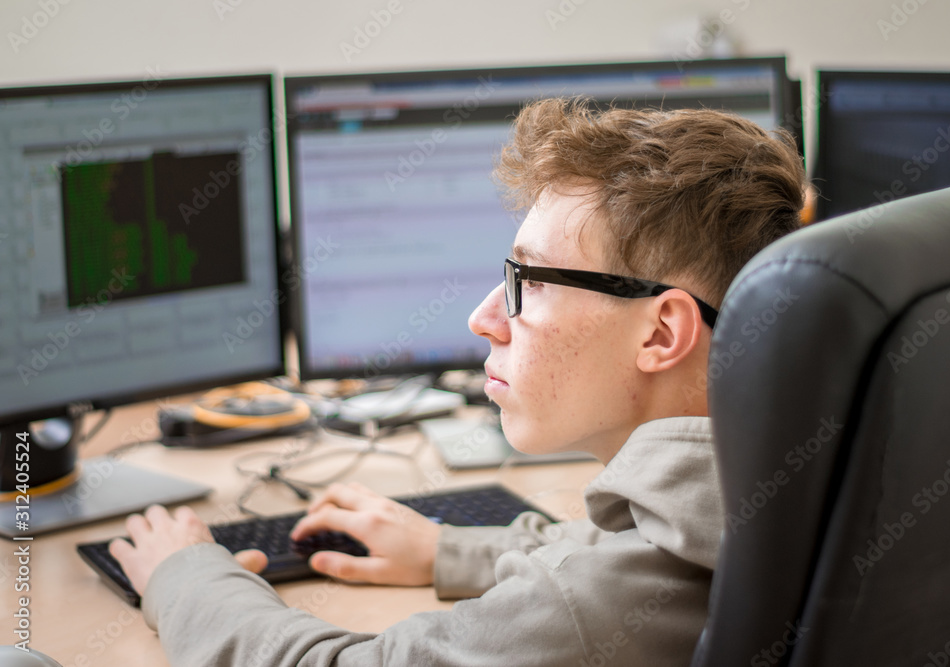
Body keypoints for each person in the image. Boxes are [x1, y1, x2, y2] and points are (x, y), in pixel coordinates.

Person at [111, 98, 806, 666]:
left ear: (660, 333)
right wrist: (448, 548)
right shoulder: (776, 485)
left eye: (525, 282)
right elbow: (619, 552)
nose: (483, 319)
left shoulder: (586, 614)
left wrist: (187, 576)